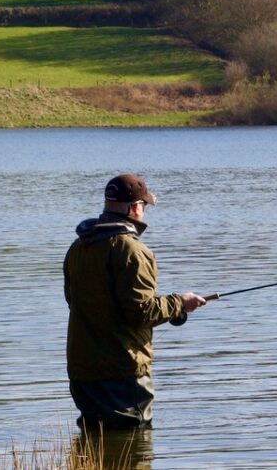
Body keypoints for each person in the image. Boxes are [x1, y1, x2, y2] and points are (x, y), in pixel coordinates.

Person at [63, 172, 206, 430]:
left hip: (82, 371)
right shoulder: (133, 251)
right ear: (135, 208)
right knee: (133, 446)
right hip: (121, 373)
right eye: (144, 206)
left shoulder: (78, 247)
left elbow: (73, 300)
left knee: (95, 444)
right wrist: (180, 303)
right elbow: (141, 312)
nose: (145, 212)